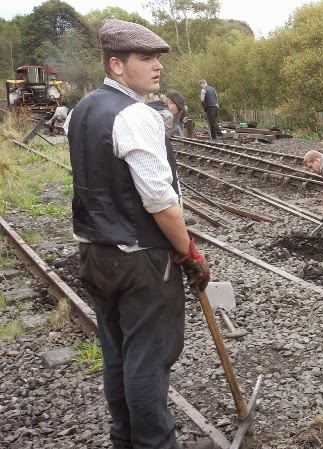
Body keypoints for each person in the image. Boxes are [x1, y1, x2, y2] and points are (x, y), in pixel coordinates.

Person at [64, 19, 212, 449]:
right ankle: (154, 443)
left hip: (94, 251)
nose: (156, 67)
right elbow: (160, 201)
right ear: (116, 64)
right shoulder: (136, 115)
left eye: (158, 59)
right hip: (140, 258)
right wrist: (189, 253)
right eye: (145, 59)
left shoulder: (82, 110)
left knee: (118, 353)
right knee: (149, 358)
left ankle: (124, 438)